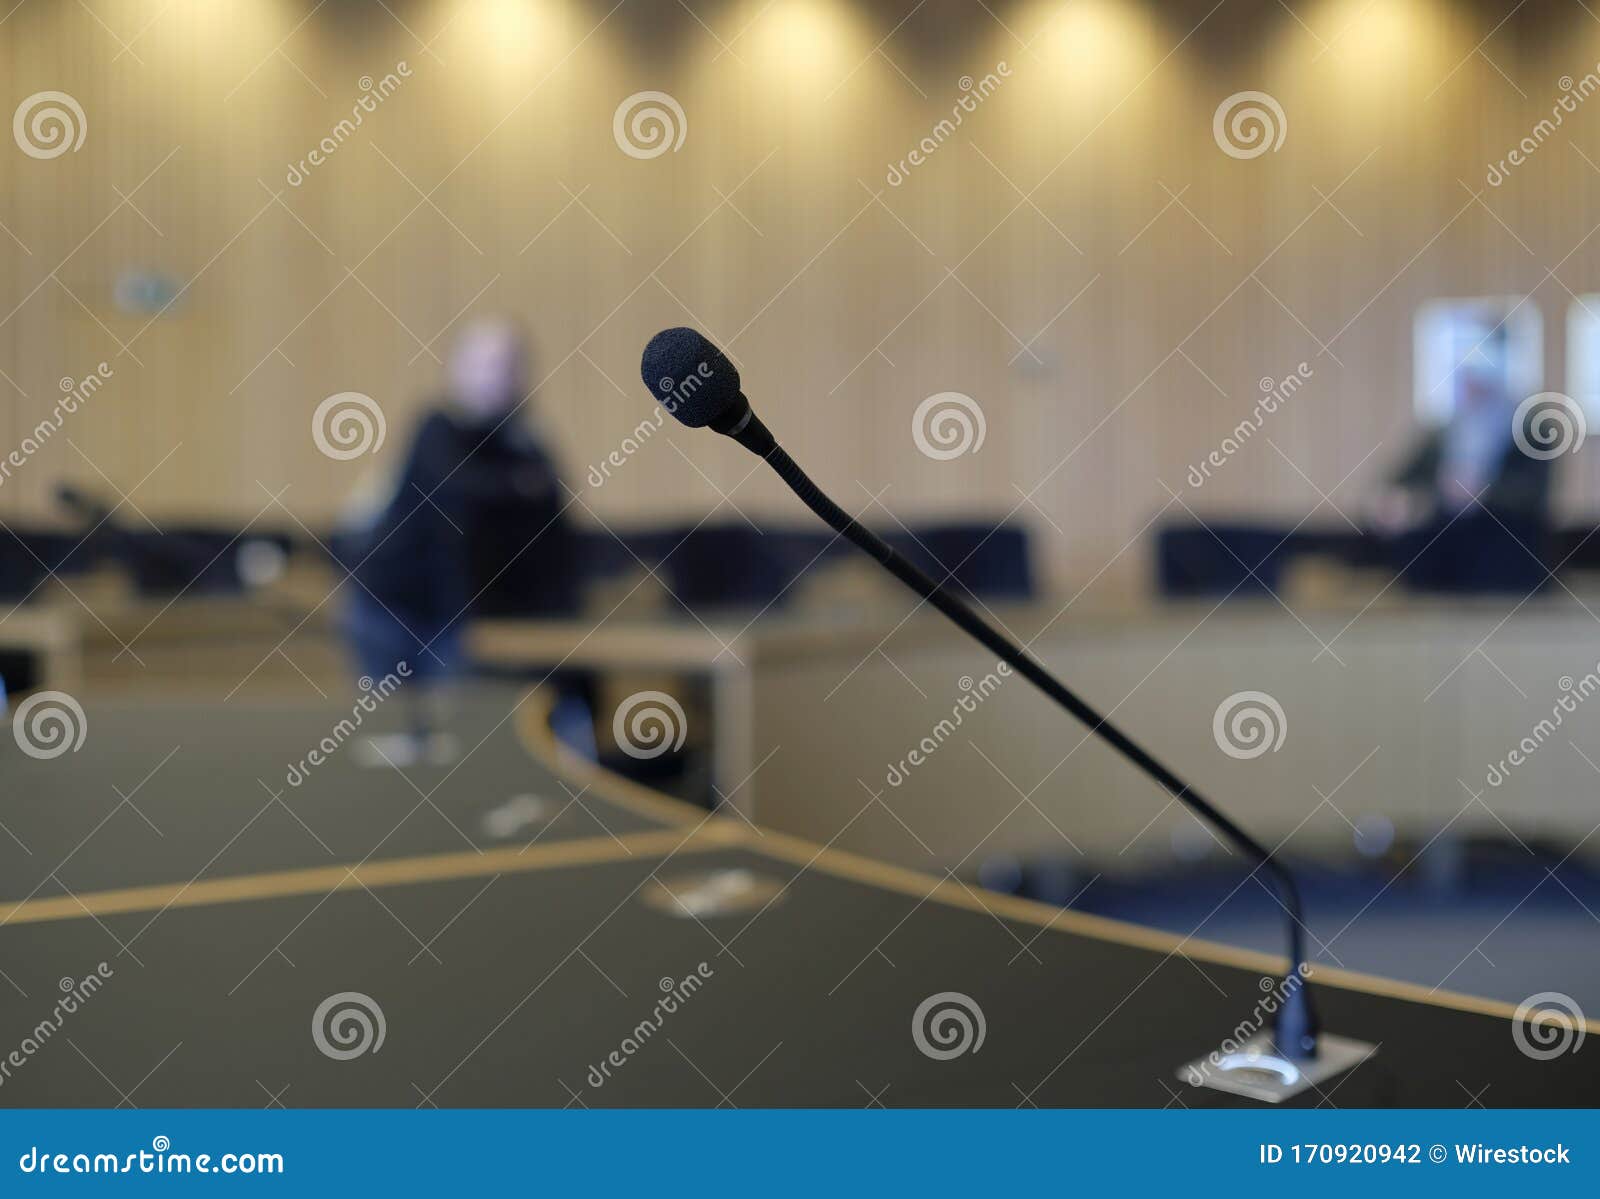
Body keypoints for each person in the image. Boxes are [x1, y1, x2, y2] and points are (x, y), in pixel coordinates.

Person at [337, 319, 577, 763]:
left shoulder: (523, 438)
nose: (494, 377)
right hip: (390, 607)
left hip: (453, 617)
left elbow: (552, 510)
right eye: (482, 364)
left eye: (505, 366)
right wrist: (518, 486)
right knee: (393, 742)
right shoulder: (435, 425)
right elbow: (459, 490)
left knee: (452, 745)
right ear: (456, 368)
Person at [1371, 332, 1553, 593]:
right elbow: (1402, 477)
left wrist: (1482, 492)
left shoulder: (1531, 428)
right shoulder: (1444, 430)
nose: (1471, 386)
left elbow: (1533, 493)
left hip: (1504, 545)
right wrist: (1397, 497)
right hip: (1447, 542)